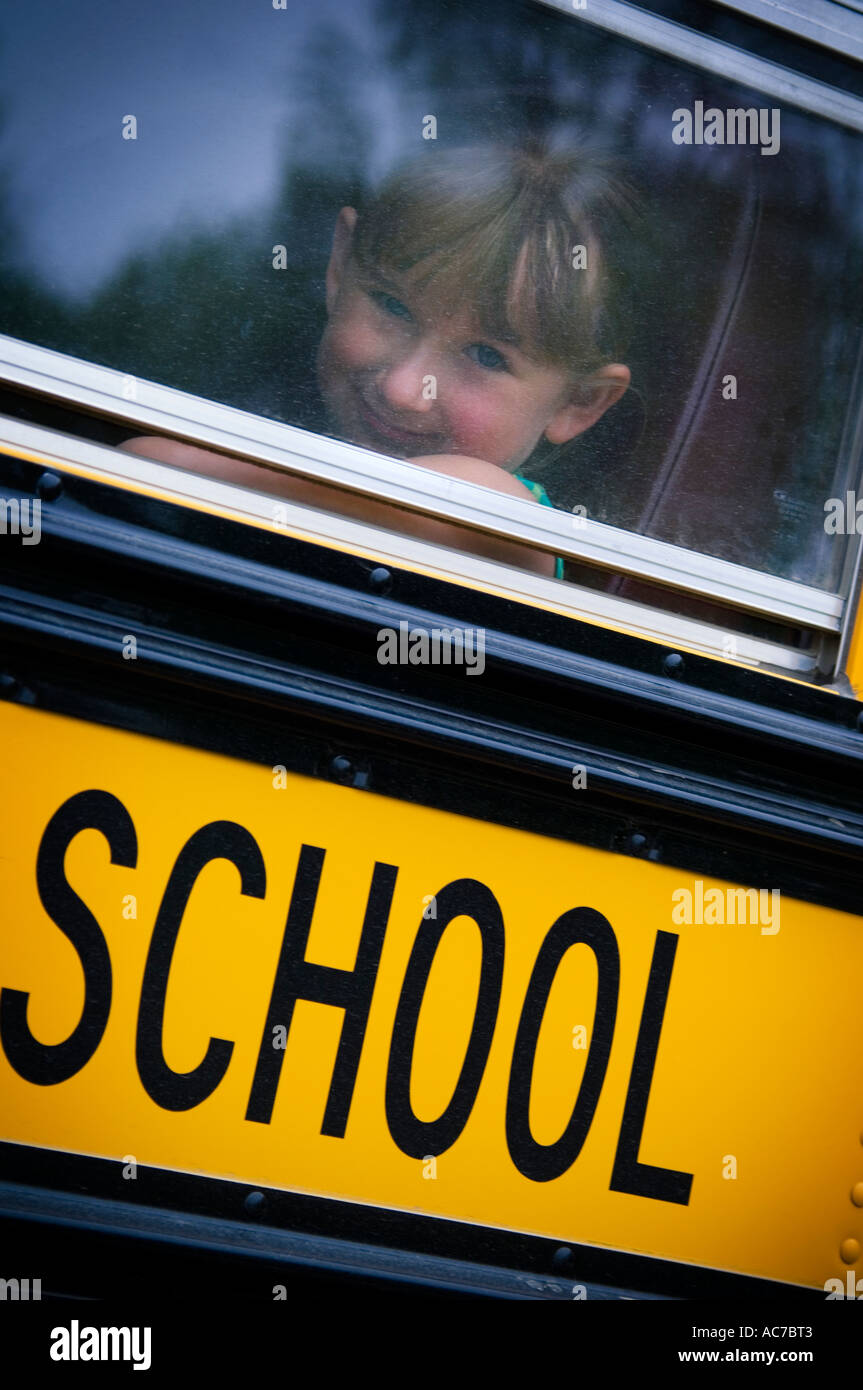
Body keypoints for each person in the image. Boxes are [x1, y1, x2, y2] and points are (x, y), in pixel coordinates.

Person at [122, 142, 634, 578]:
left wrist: (161, 457)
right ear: (340, 266)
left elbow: (152, 467)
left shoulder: (508, 525)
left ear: (578, 403)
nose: (404, 390)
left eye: (486, 356)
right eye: (393, 305)